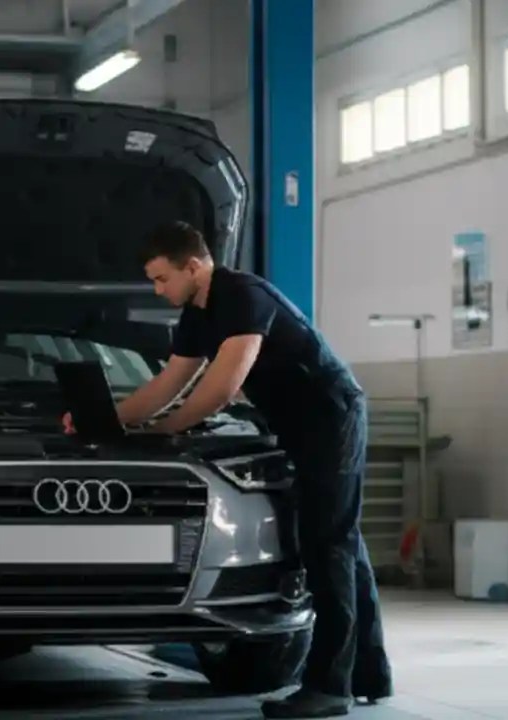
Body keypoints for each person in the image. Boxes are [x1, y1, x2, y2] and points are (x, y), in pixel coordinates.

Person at [62, 221, 392, 719]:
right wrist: (110, 418)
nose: (158, 290)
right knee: (344, 542)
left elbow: (220, 386)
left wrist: (164, 431)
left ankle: (328, 687)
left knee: (328, 545)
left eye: (161, 278)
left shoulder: (242, 295)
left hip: (331, 415)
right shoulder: (196, 312)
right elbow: (169, 382)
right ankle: (369, 673)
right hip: (297, 424)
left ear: (193, 266)